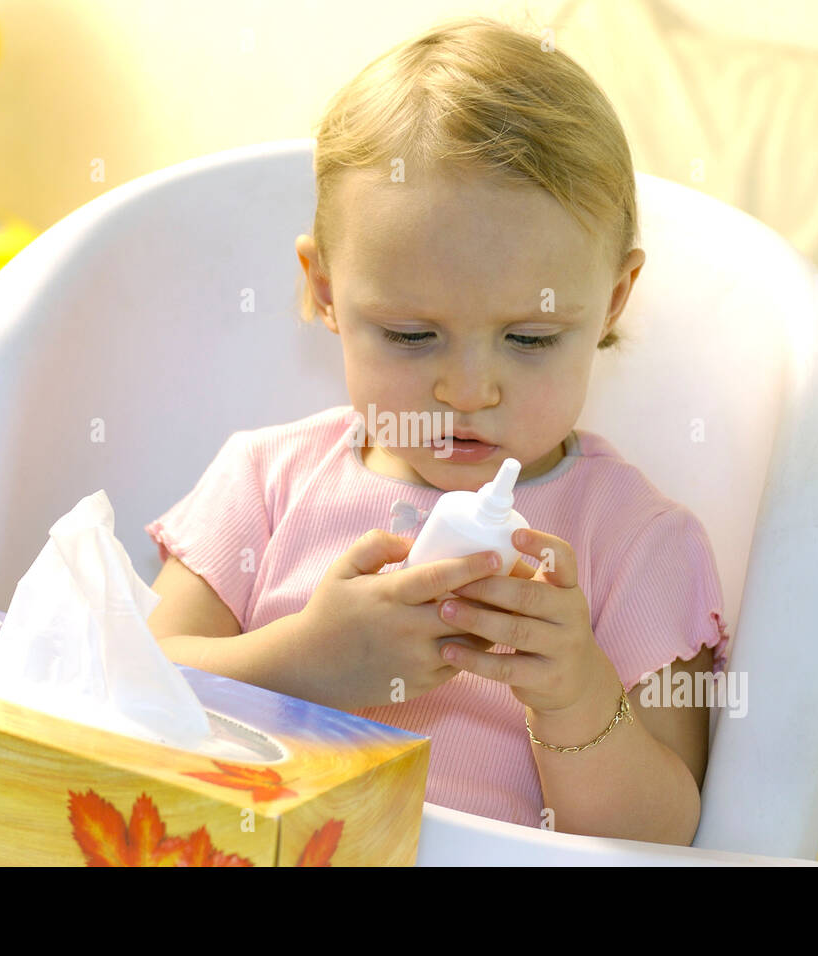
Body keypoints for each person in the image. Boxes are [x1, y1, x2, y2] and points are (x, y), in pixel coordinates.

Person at [145, 16, 730, 845]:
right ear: (324, 291)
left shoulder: (639, 544)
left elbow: (662, 841)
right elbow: (124, 694)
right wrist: (299, 666)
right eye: (411, 336)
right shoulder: (266, 483)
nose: (466, 389)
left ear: (612, 302)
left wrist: (574, 698)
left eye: (529, 339)